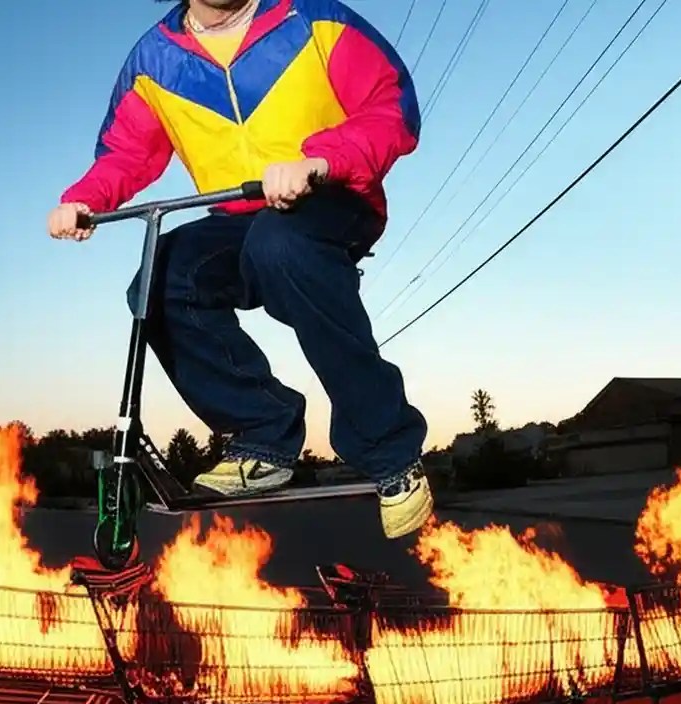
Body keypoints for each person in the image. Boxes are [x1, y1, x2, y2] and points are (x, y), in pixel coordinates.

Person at [47, 0, 431, 539]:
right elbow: (126, 153)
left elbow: (392, 105)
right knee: (157, 281)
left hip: (333, 192)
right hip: (239, 216)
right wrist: (85, 199)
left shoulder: (313, 20)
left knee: (282, 246)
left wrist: (320, 160)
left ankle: (390, 451)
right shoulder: (154, 60)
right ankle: (261, 432)